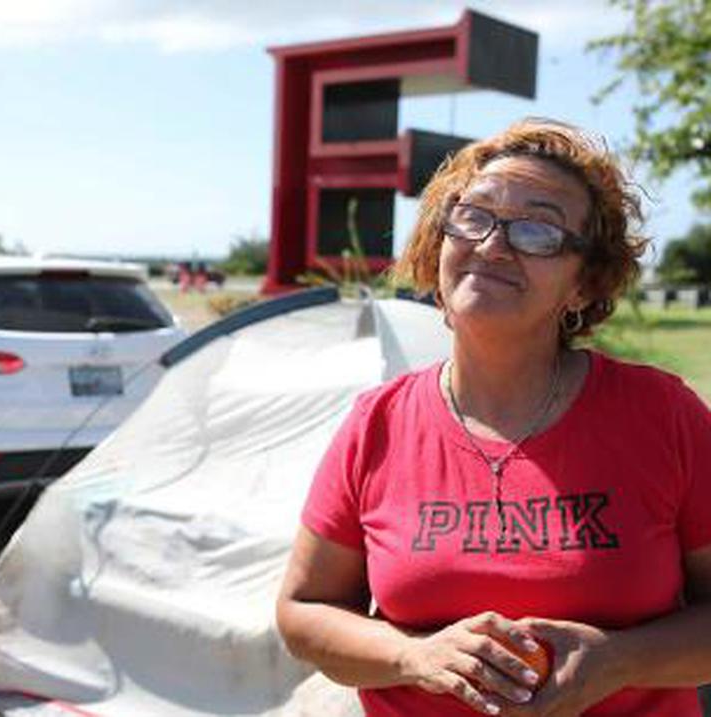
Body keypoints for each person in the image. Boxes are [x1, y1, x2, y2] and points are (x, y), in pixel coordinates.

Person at [275, 118, 711, 716]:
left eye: (538, 230)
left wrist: (619, 660)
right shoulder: (378, 424)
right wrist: (415, 656)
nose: (493, 244)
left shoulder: (663, 416)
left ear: (583, 285)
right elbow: (303, 612)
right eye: (473, 216)